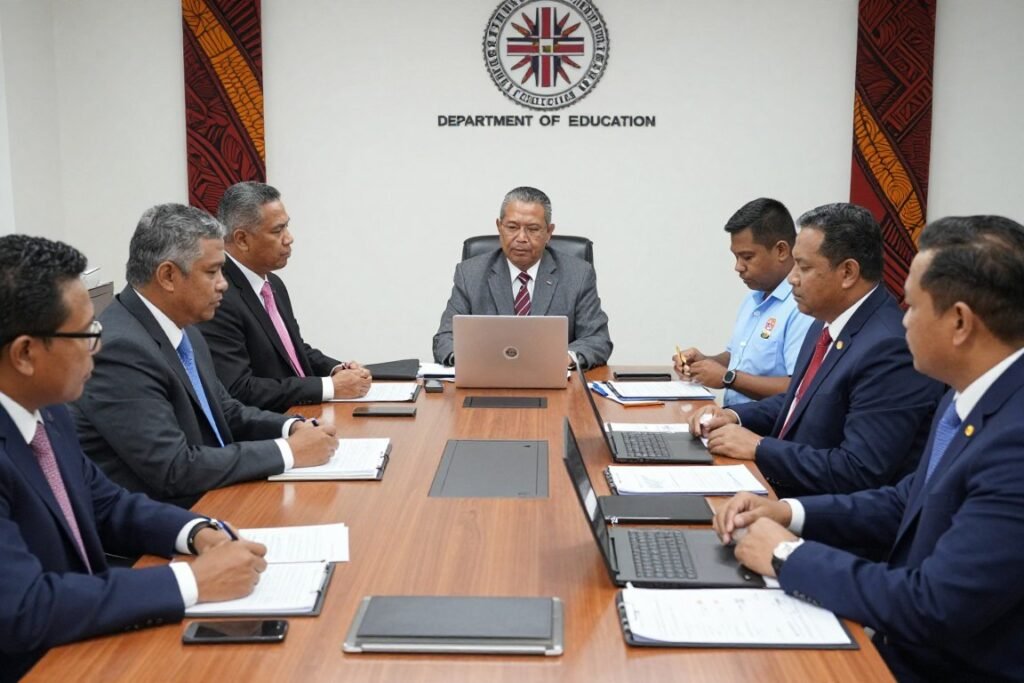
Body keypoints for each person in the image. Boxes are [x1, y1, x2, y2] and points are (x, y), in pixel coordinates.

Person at [713, 215, 1024, 682]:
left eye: (913, 307)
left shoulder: (1014, 443)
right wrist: (788, 514)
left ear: (960, 321)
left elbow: (933, 604)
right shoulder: (966, 395)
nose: (902, 320)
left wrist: (787, 556)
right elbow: (906, 500)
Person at [0, 235, 268, 681]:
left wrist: (196, 531)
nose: (98, 348)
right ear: (26, 353)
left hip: (90, 644)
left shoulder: (47, 410)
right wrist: (194, 582)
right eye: (87, 333)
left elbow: (107, 504)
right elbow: (24, 607)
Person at [72, 204, 337, 508]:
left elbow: (226, 411)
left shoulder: (185, 328)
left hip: (218, 497)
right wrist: (288, 452)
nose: (223, 283)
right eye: (212, 272)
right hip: (169, 526)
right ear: (168, 276)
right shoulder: (120, 350)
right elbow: (173, 468)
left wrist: (292, 427)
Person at [689, 203, 942, 497]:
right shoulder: (825, 323)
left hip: (821, 519)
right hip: (779, 490)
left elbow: (858, 470)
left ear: (848, 272)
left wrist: (759, 447)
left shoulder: (889, 348)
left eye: (804, 267)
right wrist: (734, 417)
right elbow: (798, 403)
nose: (793, 278)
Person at [197, 182, 371, 412]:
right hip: (272, 430)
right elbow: (240, 389)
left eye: (286, 227)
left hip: (307, 415)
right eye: (277, 231)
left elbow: (294, 350)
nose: (289, 239)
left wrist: (337, 370)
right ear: (241, 239)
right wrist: (328, 387)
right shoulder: (219, 297)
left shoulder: (272, 283)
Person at [432, 186, 613, 369]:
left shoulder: (578, 274)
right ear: (499, 227)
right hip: (487, 382)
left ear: (549, 232)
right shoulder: (470, 274)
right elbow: (445, 338)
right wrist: (468, 359)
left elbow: (597, 339)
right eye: (512, 227)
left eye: (533, 229)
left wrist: (564, 359)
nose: (521, 238)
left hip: (553, 384)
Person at [673, 198, 813, 406]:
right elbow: (737, 358)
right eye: (736, 257)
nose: (738, 267)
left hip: (765, 432)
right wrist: (705, 362)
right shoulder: (754, 298)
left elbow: (798, 389)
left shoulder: (802, 307)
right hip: (732, 421)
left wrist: (728, 378)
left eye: (747, 257)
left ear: (782, 251)